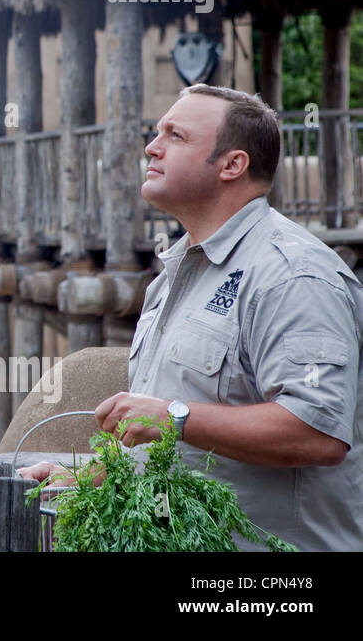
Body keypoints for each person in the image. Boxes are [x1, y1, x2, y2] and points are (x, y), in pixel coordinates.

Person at [20, 84, 363, 551]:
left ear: (232, 165)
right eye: (158, 132)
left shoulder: (292, 275)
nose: (151, 146)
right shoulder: (173, 276)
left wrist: (172, 416)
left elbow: (316, 432)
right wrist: (89, 476)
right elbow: (171, 440)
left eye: (175, 136)